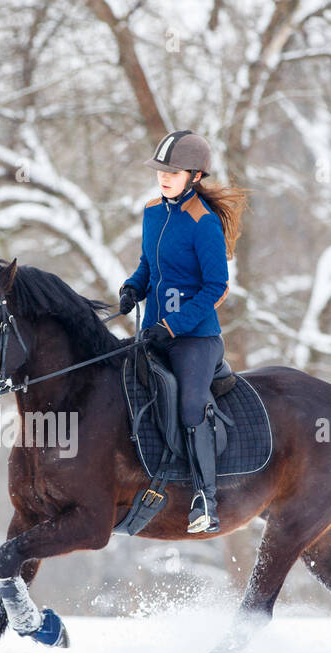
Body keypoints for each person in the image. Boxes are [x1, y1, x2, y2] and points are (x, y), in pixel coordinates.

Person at [118, 130, 248, 533]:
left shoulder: (203, 223)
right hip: (153, 331)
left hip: (195, 339)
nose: (164, 177)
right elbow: (148, 264)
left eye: (172, 171)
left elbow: (216, 287)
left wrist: (172, 326)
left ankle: (205, 501)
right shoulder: (153, 211)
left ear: (194, 175)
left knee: (191, 405)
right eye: (161, 170)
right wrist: (132, 287)